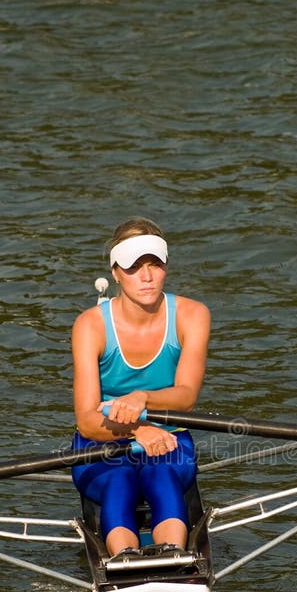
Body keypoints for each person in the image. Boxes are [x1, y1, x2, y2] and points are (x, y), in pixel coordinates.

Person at [71, 217, 210, 557]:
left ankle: (174, 556)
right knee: (120, 481)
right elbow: (87, 420)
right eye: (133, 267)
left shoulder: (192, 315)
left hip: (170, 437)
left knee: (161, 475)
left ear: (166, 266)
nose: (146, 277)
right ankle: (123, 561)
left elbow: (187, 397)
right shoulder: (90, 326)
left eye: (155, 264)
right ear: (116, 272)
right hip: (100, 440)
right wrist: (137, 430)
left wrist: (142, 398)